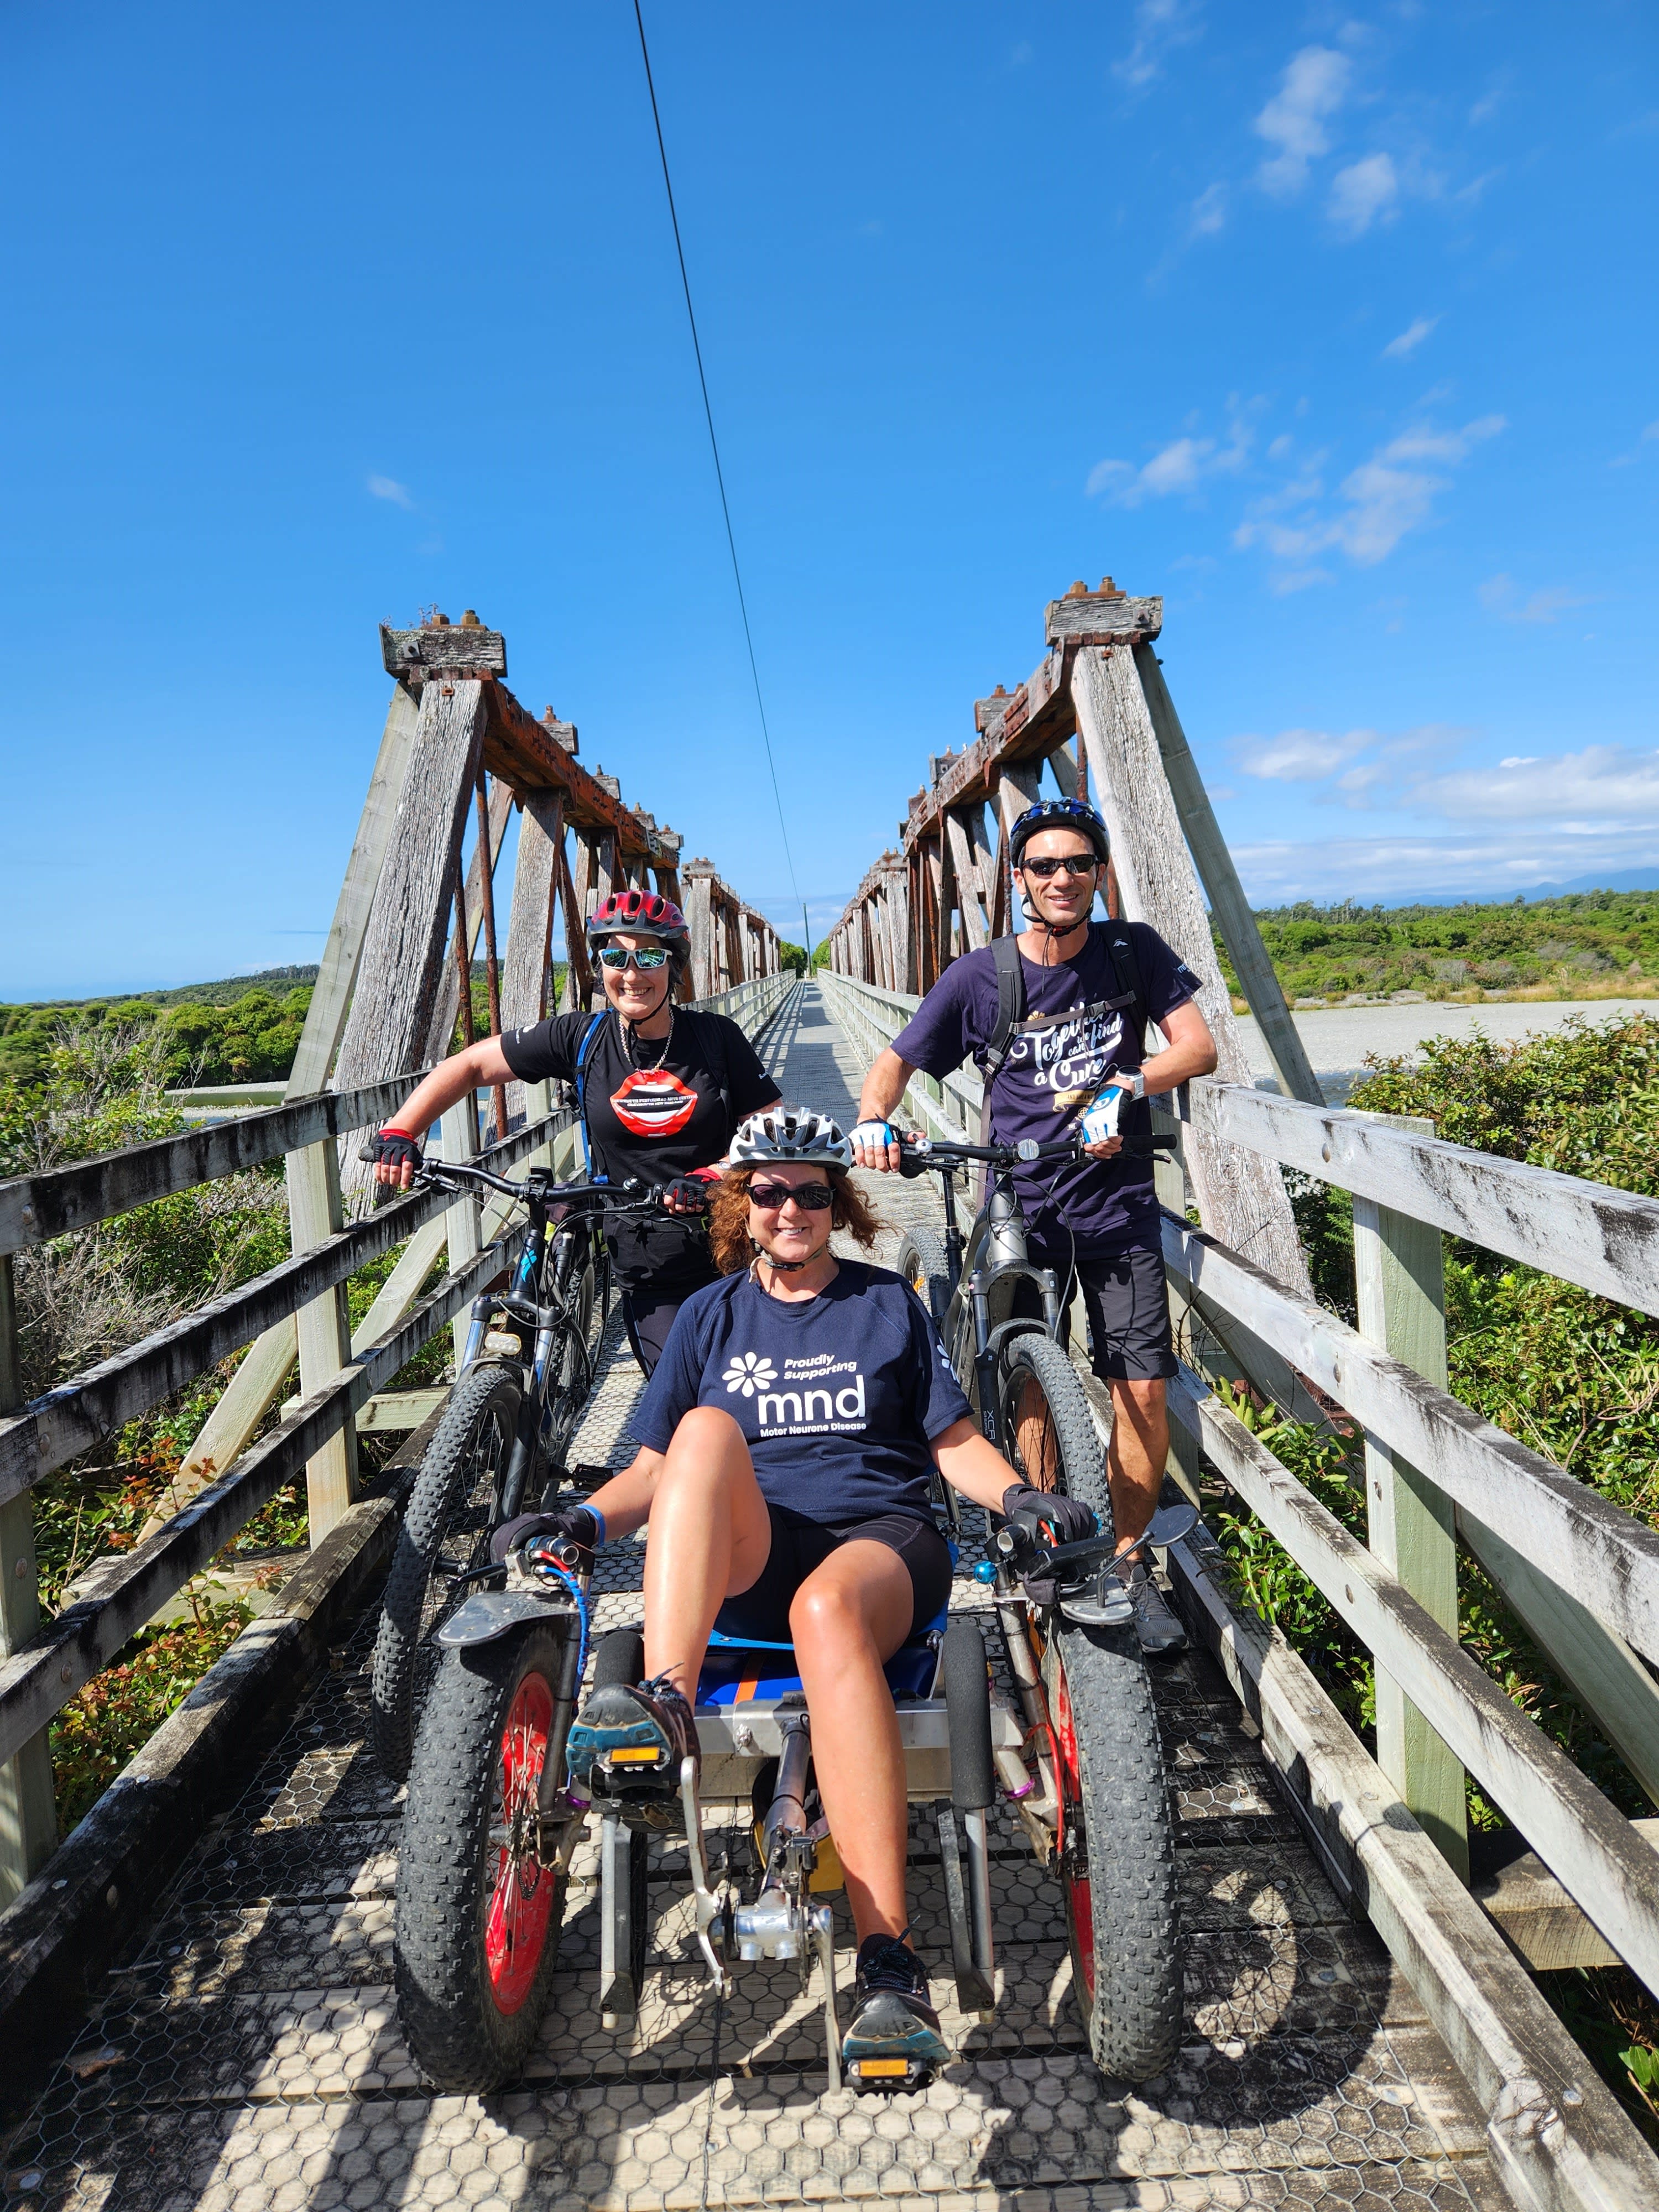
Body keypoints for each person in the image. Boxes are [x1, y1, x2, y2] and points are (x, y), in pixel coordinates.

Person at [512, 1107, 1093, 2073]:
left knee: (825, 1608)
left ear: (838, 1203)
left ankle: (888, 1963)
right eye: (771, 1191)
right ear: (744, 1202)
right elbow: (655, 1470)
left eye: (812, 1193)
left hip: (881, 1545)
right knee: (702, 1434)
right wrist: (582, 1523)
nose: (792, 1209)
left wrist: (1024, 1494)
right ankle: (664, 1701)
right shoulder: (710, 1314)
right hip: (752, 1552)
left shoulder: (885, 1305)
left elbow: (951, 1445)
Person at [848, 796, 1218, 1657]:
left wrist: (1127, 1086)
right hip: (1019, 1202)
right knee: (1031, 1385)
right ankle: (1052, 1539)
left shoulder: (1135, 953)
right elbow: (898, 1061)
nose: (1063, 878)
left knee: (1144, 1391)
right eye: (1044, 866)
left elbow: (1196, 1046)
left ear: (1099, 873)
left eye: (1078, 864)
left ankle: (1125, 1564)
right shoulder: (980, 977)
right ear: (1017, 880)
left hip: (1117, 1203)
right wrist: (873, 1118)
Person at [366, 888, 782, 1375]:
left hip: (727, 1250)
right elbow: (472, 1065)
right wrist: (401, 1130)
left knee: (749, 1393)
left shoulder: (715, 1037)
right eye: (614, 957)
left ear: (674, 966)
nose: (631, 974)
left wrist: (714, 1174)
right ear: (599, 966)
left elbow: (769, 1129)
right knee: (681, 1402)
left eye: (649, 955)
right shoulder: (581, 1039)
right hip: (646, 1263)